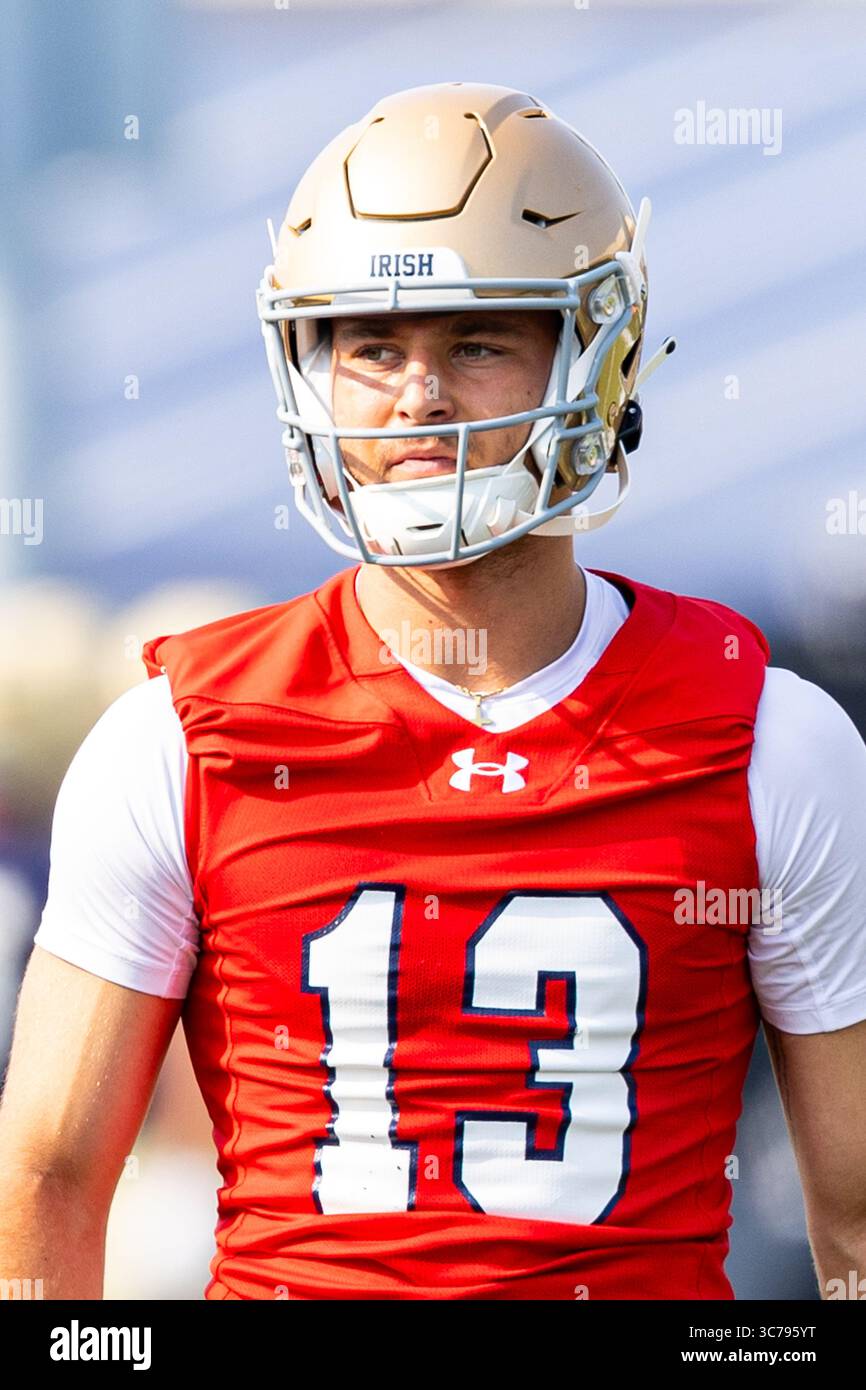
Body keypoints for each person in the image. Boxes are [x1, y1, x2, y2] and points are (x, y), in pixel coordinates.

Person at [2, 81, 866, 1302]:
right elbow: (48, 1179)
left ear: (596, 351)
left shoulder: (770, 740)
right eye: (369, 344)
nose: (417, 398)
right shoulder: (177, 738)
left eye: (474, 340)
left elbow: (855, 1220)